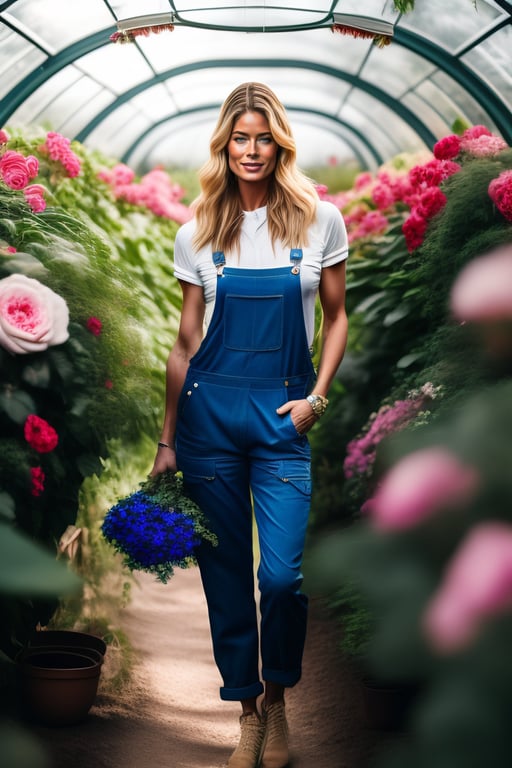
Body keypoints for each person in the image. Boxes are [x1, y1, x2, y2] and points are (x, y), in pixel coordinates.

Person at [151, 81, 349, 768]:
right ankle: (248, 715)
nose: (253, 150)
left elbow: (336, 315)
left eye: (264, 138)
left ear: (280, 143)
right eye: (241, 138)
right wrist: (168, 439)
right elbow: (184, 345)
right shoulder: (196, 232)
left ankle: (281, 699)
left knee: (284, 578)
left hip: (283, 417)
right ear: (225, 146)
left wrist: (316, 398)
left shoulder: (320, 221)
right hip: (209, 418)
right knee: (227, 571)